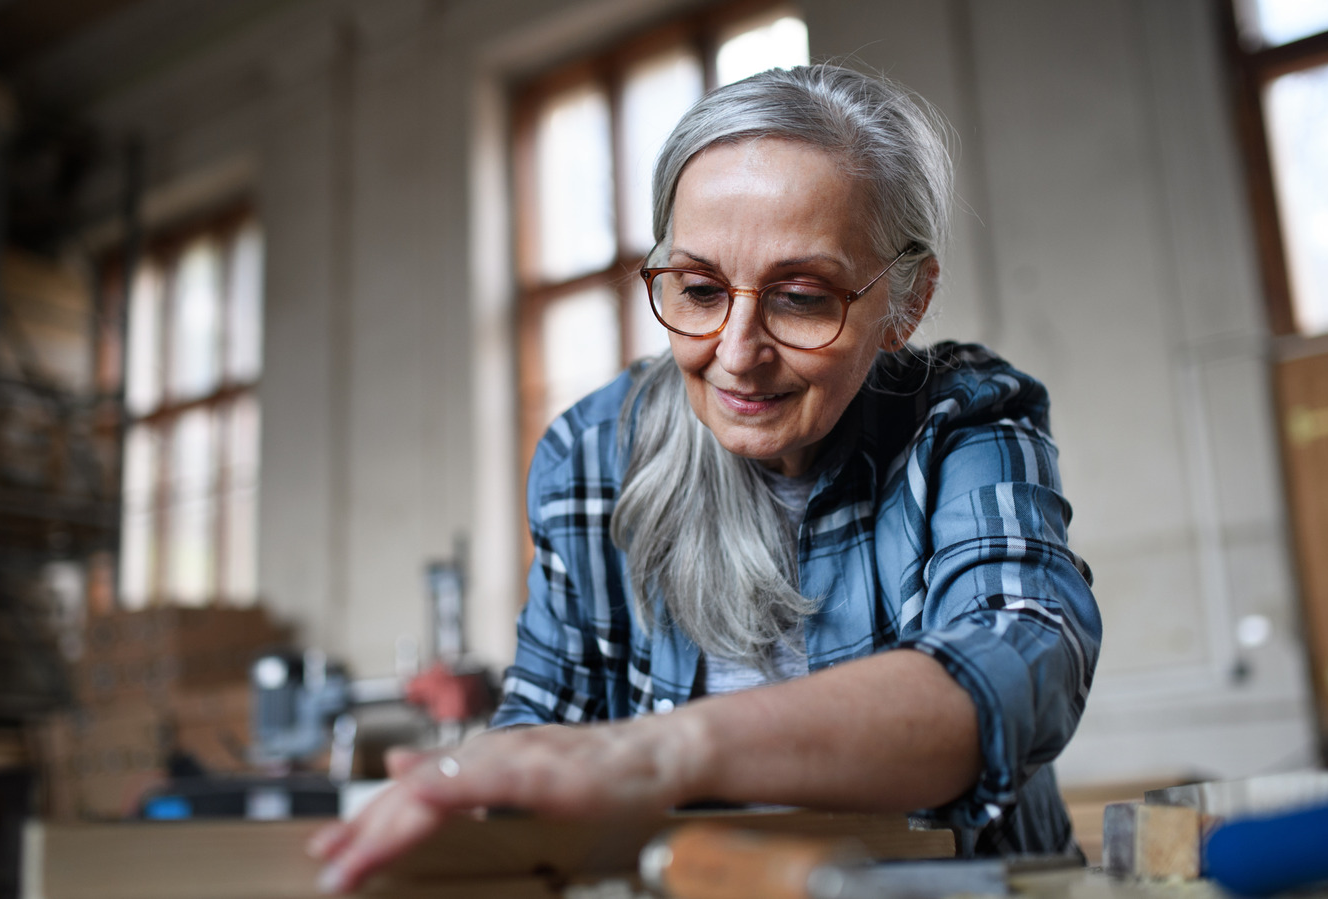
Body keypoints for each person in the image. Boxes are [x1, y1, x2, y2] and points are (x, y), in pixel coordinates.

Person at [309, 63, 1101, 893]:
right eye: (697, 288)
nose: (736, 354)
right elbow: (545, 729)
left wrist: (663, 752)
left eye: (800, 298)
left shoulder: (963, 419)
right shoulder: (593, 455)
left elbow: (1017, 662)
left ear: (905, 301)